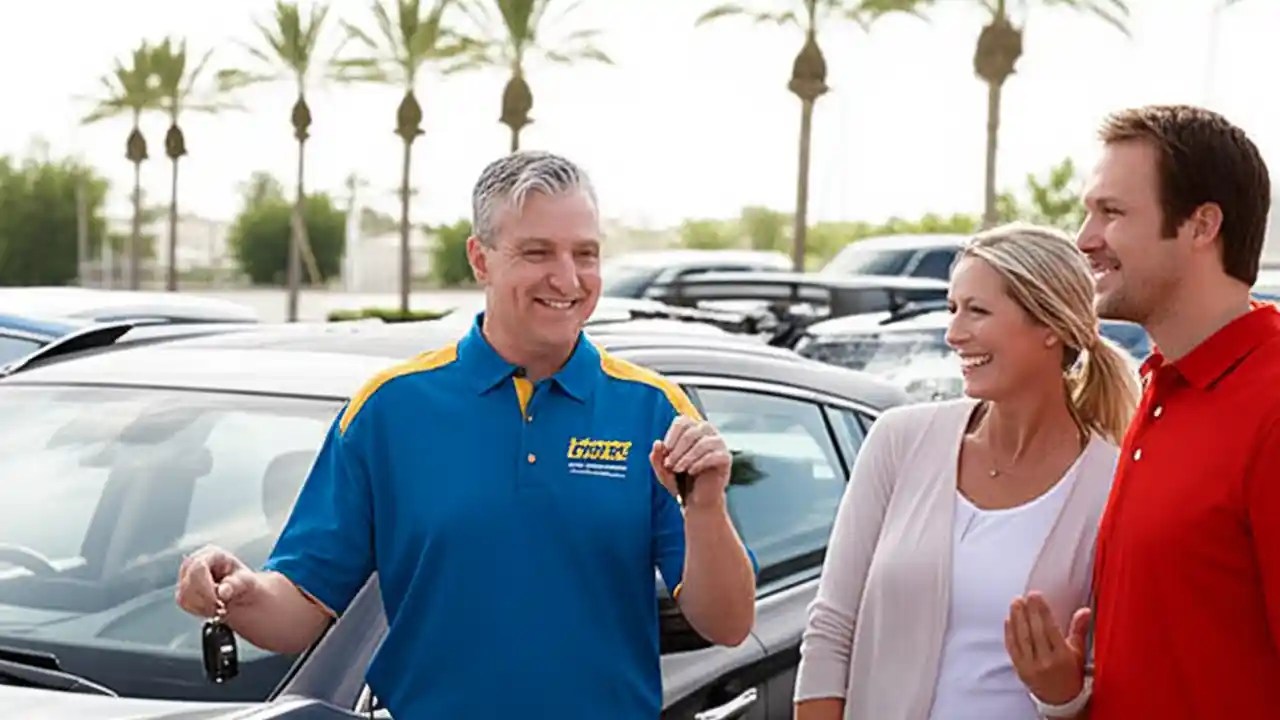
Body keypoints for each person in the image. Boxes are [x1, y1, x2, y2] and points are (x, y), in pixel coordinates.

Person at [174, 150, 757, 719]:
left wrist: (705, 509)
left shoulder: (653, 409)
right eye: (537, 252)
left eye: (586, 253)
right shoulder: (390, 410)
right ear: (480, 259)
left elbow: (728, 624)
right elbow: (302, 607)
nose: (569, 278)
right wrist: (241, 593)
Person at [792, 222, 1141, 720]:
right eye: (953, 308)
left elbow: (1118, 683)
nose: (953, 334)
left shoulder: (1114, 484)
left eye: (977, 311)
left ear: (1051, 327)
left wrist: (1062, 696)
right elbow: (830, 630)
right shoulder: (898, 440)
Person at [1005, 104, 1280, 719]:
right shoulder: (1160, 390)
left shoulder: (1271, 406)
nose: (1084, 238)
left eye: (1113, 212)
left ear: (1201, 225)